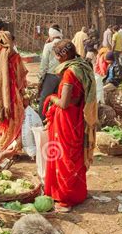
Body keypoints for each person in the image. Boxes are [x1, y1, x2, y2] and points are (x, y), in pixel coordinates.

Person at [44, 40, 97, 211]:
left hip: (66, 120)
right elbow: (77, 98)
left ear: (64, 55)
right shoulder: (82, 66)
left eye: (57, 56)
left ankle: (65, 197)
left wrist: (50, 98)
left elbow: (64, 103)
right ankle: (77, 192)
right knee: (74, 157)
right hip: (77, 118)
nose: (56, 59)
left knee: (64, 158)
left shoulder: (69, 73)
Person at [0, 31, 28, 150]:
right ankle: (13, 148)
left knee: (3, 117)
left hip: (0, 93)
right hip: (12, 94)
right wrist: (23, 94)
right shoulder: (15, 57)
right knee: (14, 118)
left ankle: (6, 146)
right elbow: (22, 80)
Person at [38, 25, 63, 120]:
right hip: (62, 76)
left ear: (51, 35)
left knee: (44, 100)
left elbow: (44, 64)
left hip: (50, 76)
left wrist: (41, 78)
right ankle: (55, 121)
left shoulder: (48, 46)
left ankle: (42, 119)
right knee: (58, 100)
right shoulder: (65, 44)